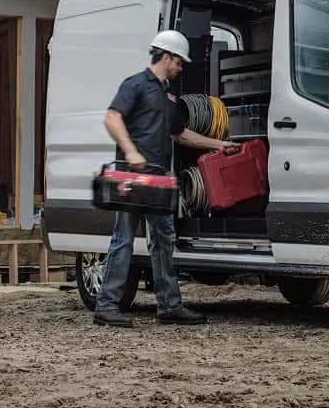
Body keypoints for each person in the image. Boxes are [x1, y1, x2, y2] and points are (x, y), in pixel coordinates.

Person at [94, 30, 238, 328]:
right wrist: (131, 151)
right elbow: (112, 117)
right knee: (123, 240)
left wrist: (219, 145)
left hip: (158, 180)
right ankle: (106, 306)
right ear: (166, 56)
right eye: (179, 62)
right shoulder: (135, 84)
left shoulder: (167, 96)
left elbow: (180, 134)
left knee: (164, 240)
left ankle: (169, 306)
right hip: (132, 177)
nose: (180, 68)